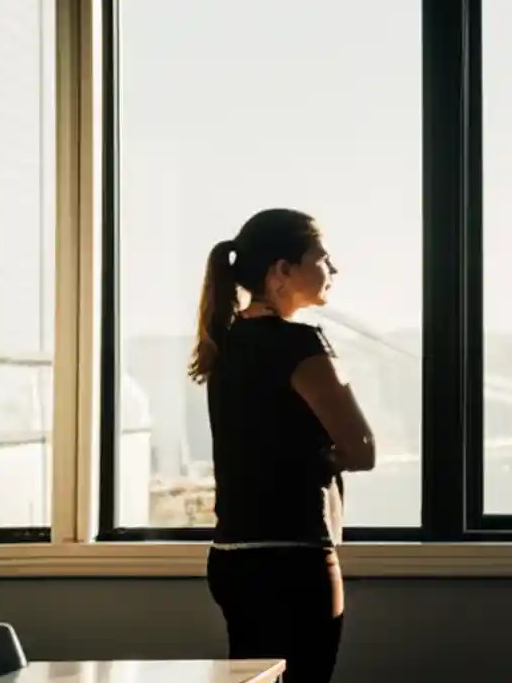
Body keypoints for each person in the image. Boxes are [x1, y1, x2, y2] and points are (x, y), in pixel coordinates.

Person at [189, 208, 375, 683]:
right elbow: (360, 448)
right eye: (323, 258)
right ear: (282, 270)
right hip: (295, 557)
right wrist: (313, 460)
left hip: (231, 556)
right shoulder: (301, 344)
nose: (334, 270)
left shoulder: (225, 344)